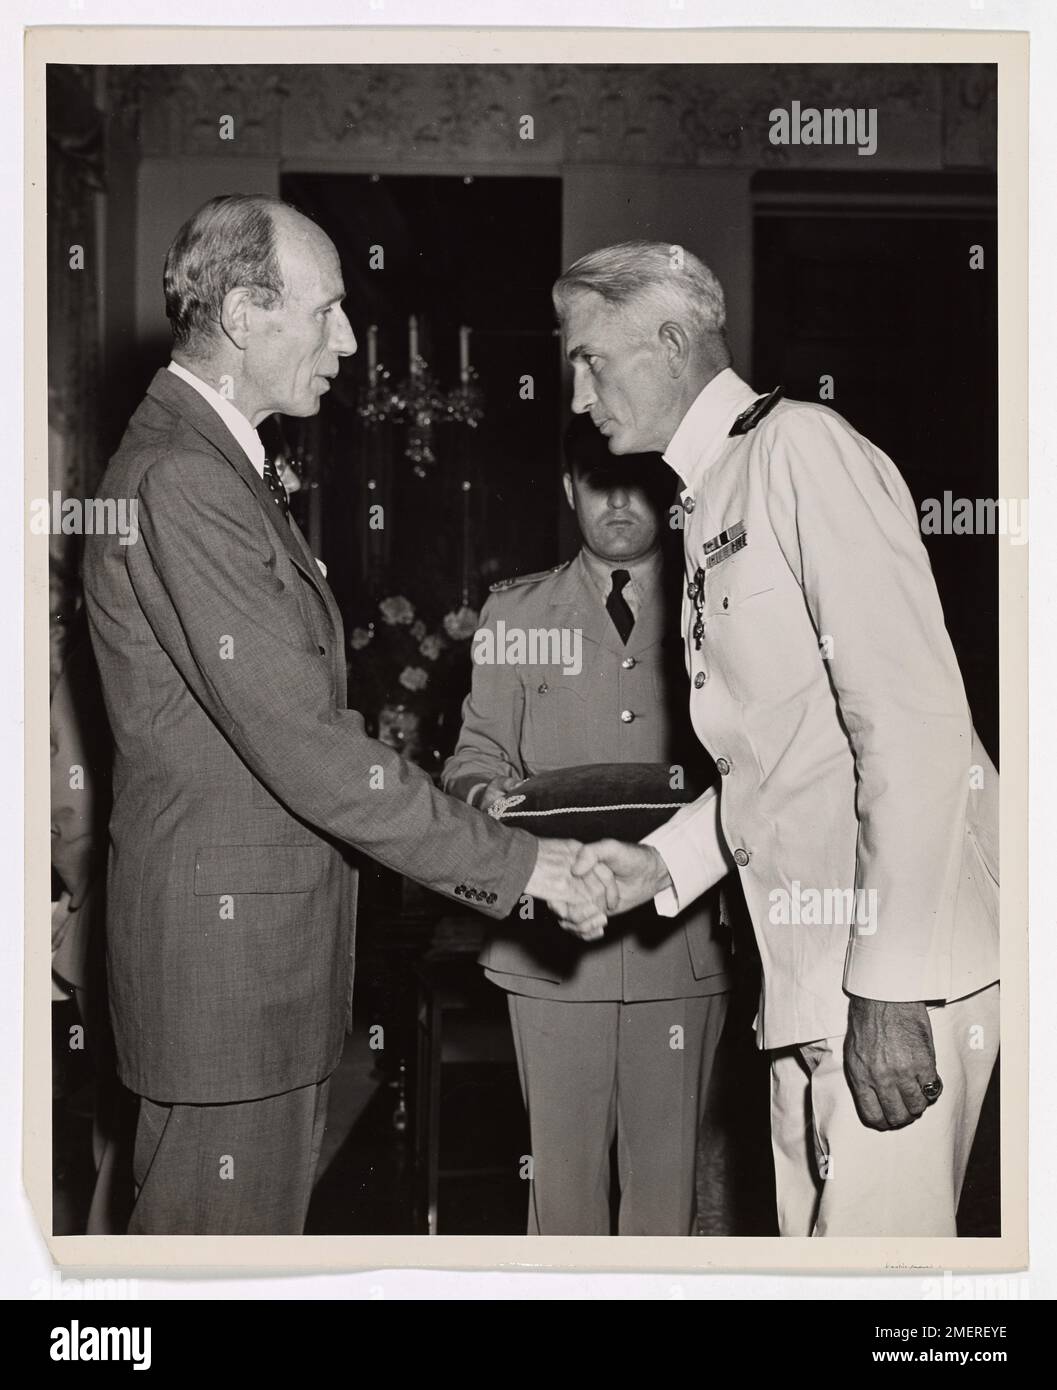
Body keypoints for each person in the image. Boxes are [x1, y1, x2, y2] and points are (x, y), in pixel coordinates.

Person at [82, 194, 606, 1236]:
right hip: (226, 982)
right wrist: (523, 865)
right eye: (323, 311)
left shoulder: (215, 464)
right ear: (242, 313)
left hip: (254, 971)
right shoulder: (185, 477)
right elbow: (306, 746)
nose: (350, 338)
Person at [558, 240, 1000, 1237]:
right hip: (807, 983)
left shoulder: (801, 448)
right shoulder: (711, 489)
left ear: (672, 337)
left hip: (893, 975)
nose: (579, 396)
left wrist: (890, 990)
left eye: (593, 360)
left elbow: (914, 722)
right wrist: (650, 868)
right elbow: (787, 760)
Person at [443, 418, 732, 1235]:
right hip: (551, 941)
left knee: (665, 1194)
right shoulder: (513, 612)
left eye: (638, 482)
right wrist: (483, 799)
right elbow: (473, 754)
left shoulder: (715, 600)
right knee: (560, 1189)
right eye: (597, 481)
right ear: (568, 488)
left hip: (679, 941)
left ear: (672, 495)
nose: (617, 501)